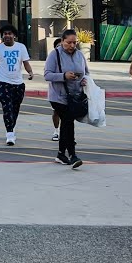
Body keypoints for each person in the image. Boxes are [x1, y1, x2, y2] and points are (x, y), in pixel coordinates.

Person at [44, 29, 88, 169]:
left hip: (75, 96)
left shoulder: (80, 55)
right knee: (68, 122)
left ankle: (61, 154)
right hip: (58, 96)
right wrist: (63, 76)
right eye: (69, 42)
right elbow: (47, 75)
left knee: (66, 124)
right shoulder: (54, 55)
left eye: (75, 42)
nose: (72, 45)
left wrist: (84, 80)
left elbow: (86, 72)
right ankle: (73, 155)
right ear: (62, 41)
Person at [0, 26, 33, 145]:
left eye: (10, 34)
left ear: (14, 36)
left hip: (18, 84)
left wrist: (30, 72)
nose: (7, 36)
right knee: (7, 108)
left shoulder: (21, 47)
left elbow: (26, 63)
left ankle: (11, 126)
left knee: (15, 109)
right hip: (3, 83)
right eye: (5, 34)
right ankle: (10, 134)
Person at [49, 37, 61, 141]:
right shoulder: (52, 57)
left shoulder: (75, 56)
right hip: (56, 90)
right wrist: (63, 76)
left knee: (69, 115)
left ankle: (68, 133)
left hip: (70, 90)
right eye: (58, 46)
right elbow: (48, 75)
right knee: (56, 111)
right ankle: (56, 131)